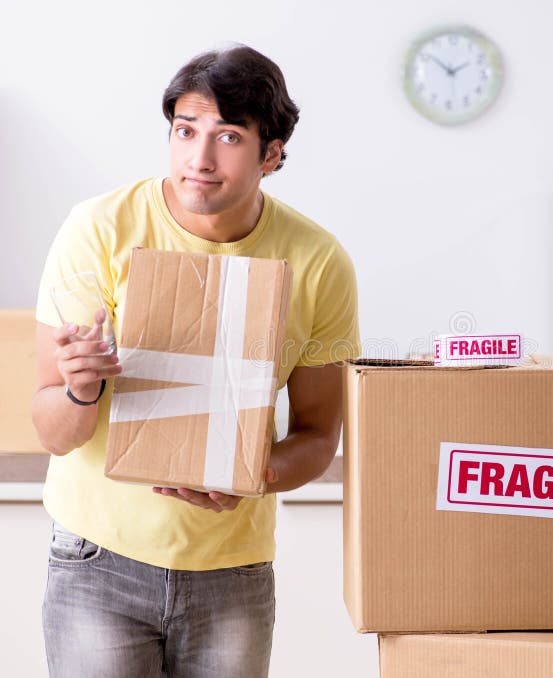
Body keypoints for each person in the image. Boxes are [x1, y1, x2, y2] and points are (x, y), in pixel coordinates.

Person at [31, 44, 360, 677]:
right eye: (186, 131)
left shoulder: (317, 262)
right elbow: (52, 430)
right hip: (97, 561)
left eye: (228, 136)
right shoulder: (99, 229)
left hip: (230, 570)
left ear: (271, 153)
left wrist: (251, 474)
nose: (198, 159)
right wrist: (80, 389)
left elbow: (319, 435)